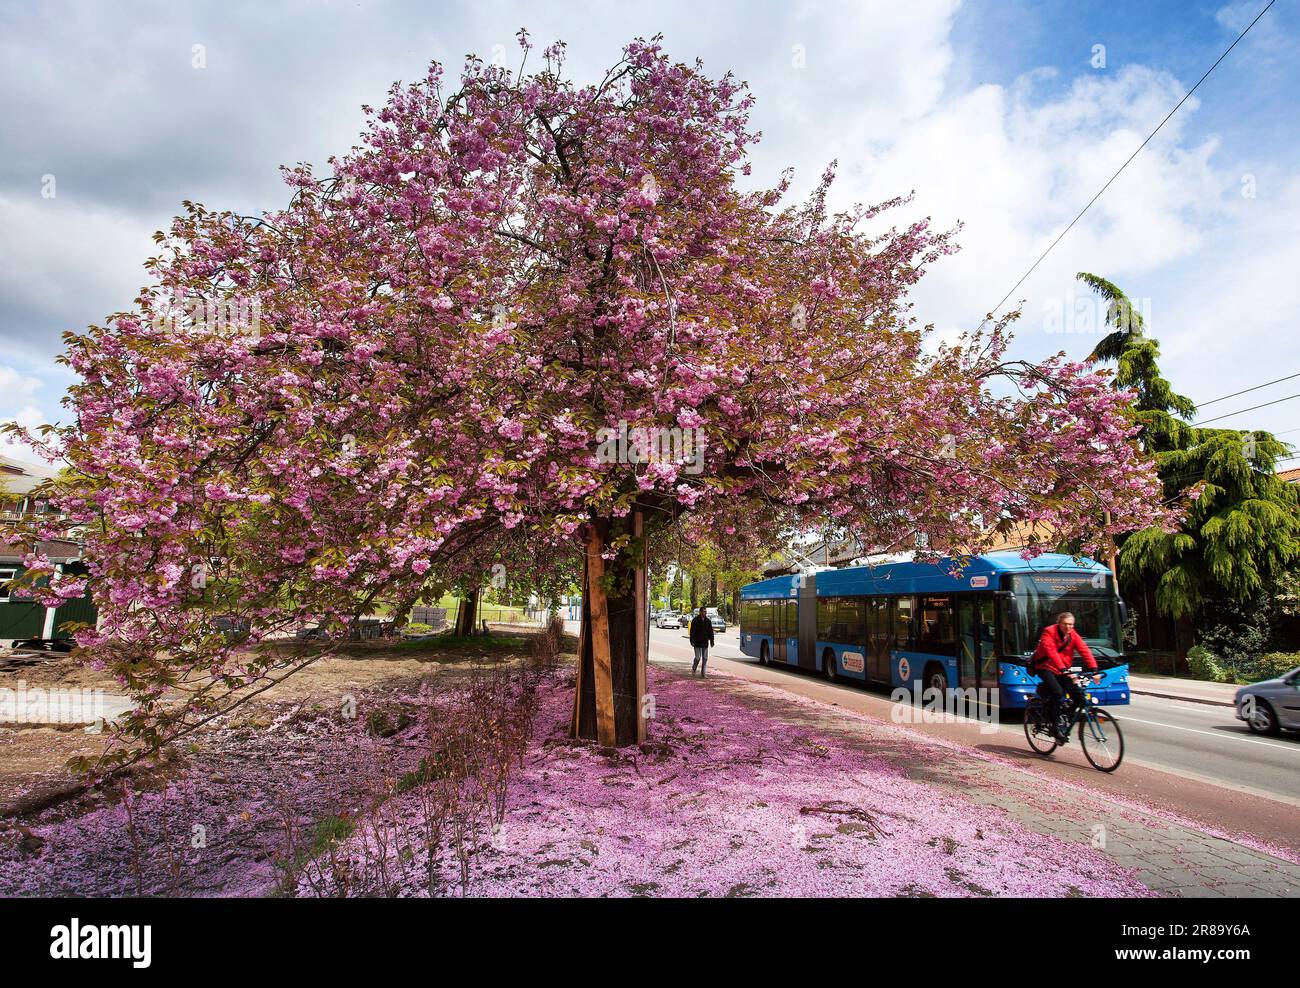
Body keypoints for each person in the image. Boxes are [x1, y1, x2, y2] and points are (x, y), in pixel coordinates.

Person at [1031, 611, 1102, 742]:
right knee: (1057, 692)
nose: (1068, 627)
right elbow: (1051, 651)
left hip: (1062, 669)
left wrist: (1095, 669)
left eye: (1071, 624)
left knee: (1079, 695)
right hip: (1045, 667)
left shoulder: (1072, 634)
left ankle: (1066, 716)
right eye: (1065, 624)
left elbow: (1084, 650)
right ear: (1059, 623)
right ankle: (1054, 724)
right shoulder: (1049, 632)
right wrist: (1063, 669)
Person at [688, 606, 715, 677]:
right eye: (703, 611)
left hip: (705, 642)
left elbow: (711, 632)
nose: (705, 613)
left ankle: (703, 674)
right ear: (700, 612)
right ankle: (694, 669)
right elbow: (692, 631)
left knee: (705, 658)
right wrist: (692, 640)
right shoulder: (695, 620)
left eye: (705, 612)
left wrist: (712, 640)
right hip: (697, 642)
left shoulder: (708, 621)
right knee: (698, 657)